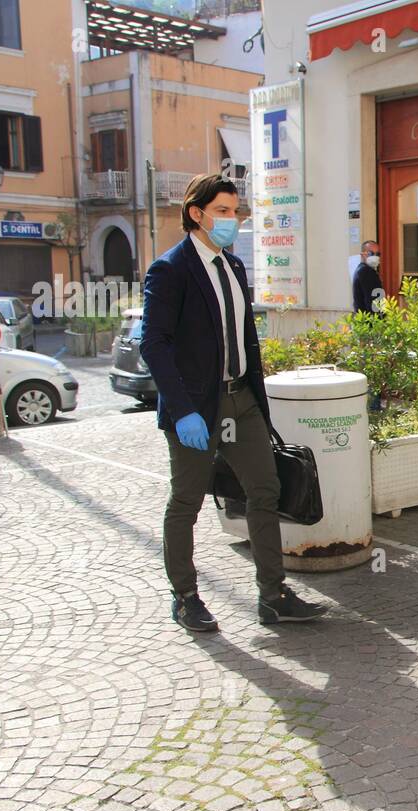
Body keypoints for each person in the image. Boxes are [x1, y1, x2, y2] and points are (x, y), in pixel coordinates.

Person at [140, 172, 324, 631]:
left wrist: (256, 400)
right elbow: (154, 344)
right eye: (222, 211)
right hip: (196, 407)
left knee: (265, 490)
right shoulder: (171, 269)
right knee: (186, 501)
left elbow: (244, 339)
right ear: (196, 214)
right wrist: (182, 410)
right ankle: (185, 597)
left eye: (236, 212)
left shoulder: (234, 266)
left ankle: (274, 595)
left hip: (241, 398)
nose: (232, 220)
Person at [351, 240, 384, 315]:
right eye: (371, 253)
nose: (375, 256)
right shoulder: (366, 271)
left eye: (377, 254)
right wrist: (379, 320)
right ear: (362, 254)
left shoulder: (362, 270)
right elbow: (372, 300)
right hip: (370, 321)